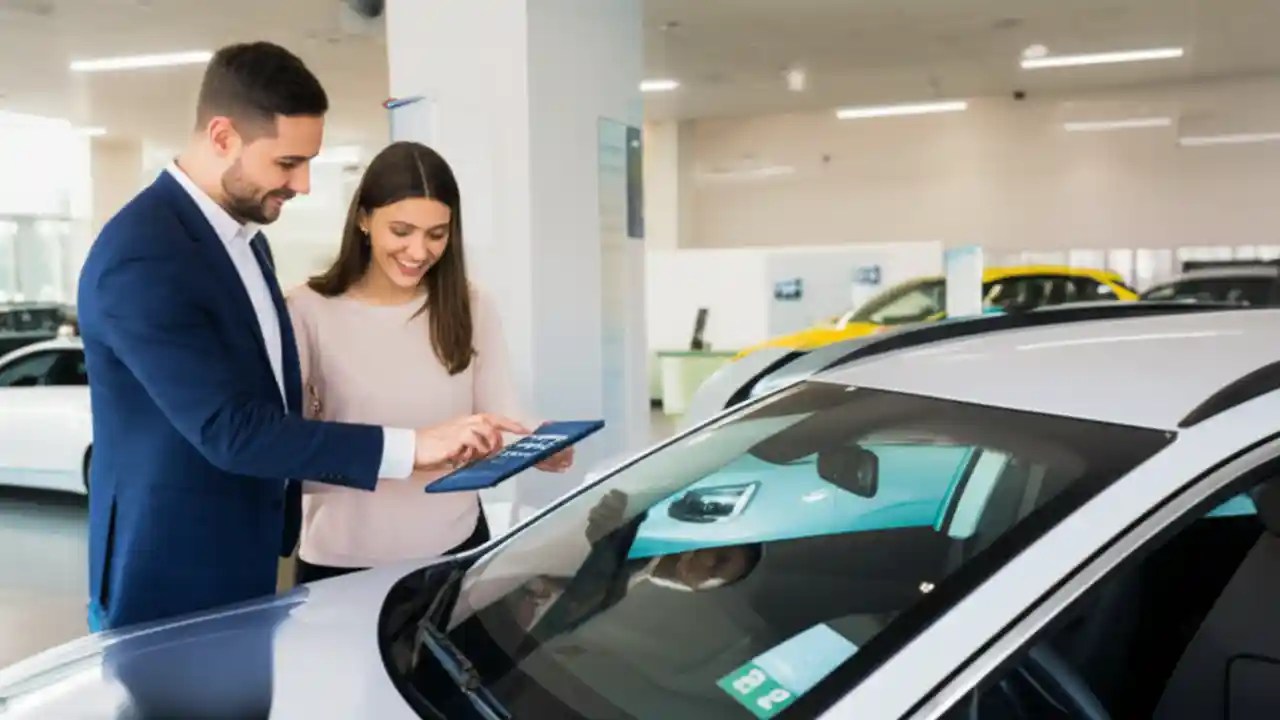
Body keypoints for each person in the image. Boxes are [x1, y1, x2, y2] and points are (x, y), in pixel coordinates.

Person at [75, 42, 525, 633]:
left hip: (247, 557)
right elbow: (230, 429)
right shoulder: (142, 254)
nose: (304, 184)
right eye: (288, 163)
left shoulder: (243, 242)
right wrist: (413, 448)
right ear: (222, 136)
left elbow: (273, 411)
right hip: (170, 568)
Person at [287, 141, 574, 583]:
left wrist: (535, 442)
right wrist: (409, 449)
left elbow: (500, 412)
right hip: (345, 559)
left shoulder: (471, 304)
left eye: (436, 235)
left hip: (457, 545)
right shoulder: (307, 310)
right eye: (401, 231)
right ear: (364, 220)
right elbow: (290, 449)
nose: (419, 252)